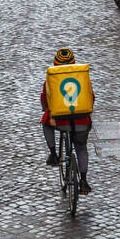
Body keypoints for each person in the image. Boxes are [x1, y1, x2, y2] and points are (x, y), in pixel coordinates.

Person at [40, 47, 93, 195]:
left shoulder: (51, 79)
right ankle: (83, 181)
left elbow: (45, 99)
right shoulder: (82, 77)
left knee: (45, 123)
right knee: (81, 148)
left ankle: (54, 155)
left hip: (60, 122)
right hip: (82, 121)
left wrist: (46, 108)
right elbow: (91, 96)